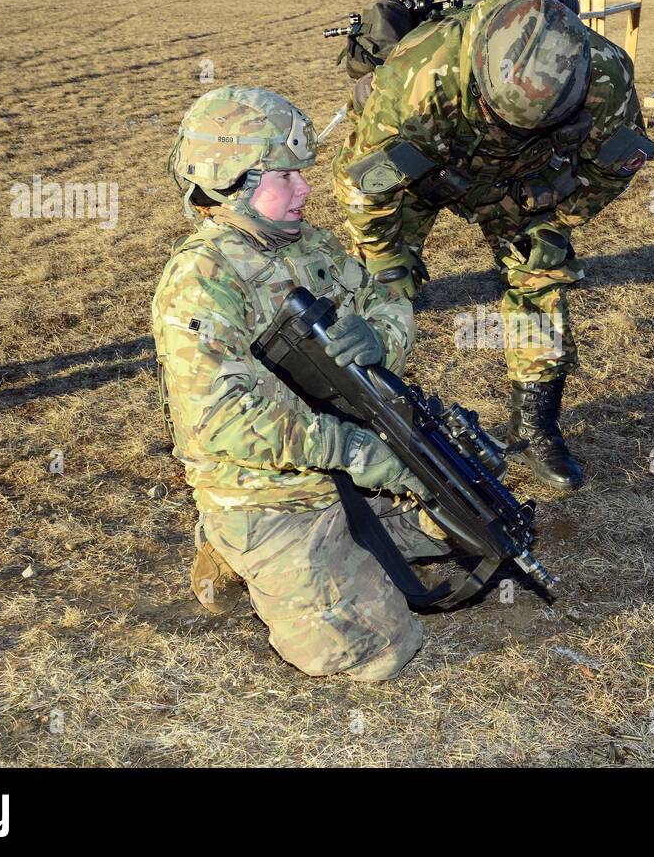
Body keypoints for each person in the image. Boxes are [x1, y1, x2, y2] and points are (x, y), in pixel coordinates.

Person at [151, 85, 447, 681]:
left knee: (461, 529)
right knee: (375, 651)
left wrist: (379, 337)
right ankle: (231, 539)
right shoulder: (201, 279)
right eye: (284, 175)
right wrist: (356, 451)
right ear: (230, 178)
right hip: (268, 490)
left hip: (354, 459)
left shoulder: (307, 242)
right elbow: (225, 420)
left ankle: (336, 540)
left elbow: (386, 299)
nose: (305, 188)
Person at [332, 0, 654, 491]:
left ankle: (534, 429)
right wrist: (382, 255)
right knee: (380, 285)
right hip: (422, 169)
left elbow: (612, 170)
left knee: (540, 274)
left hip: (522, 181)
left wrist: (559, 218)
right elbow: (365, 189)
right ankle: (363, 418)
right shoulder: (417, 80)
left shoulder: (605, 76)